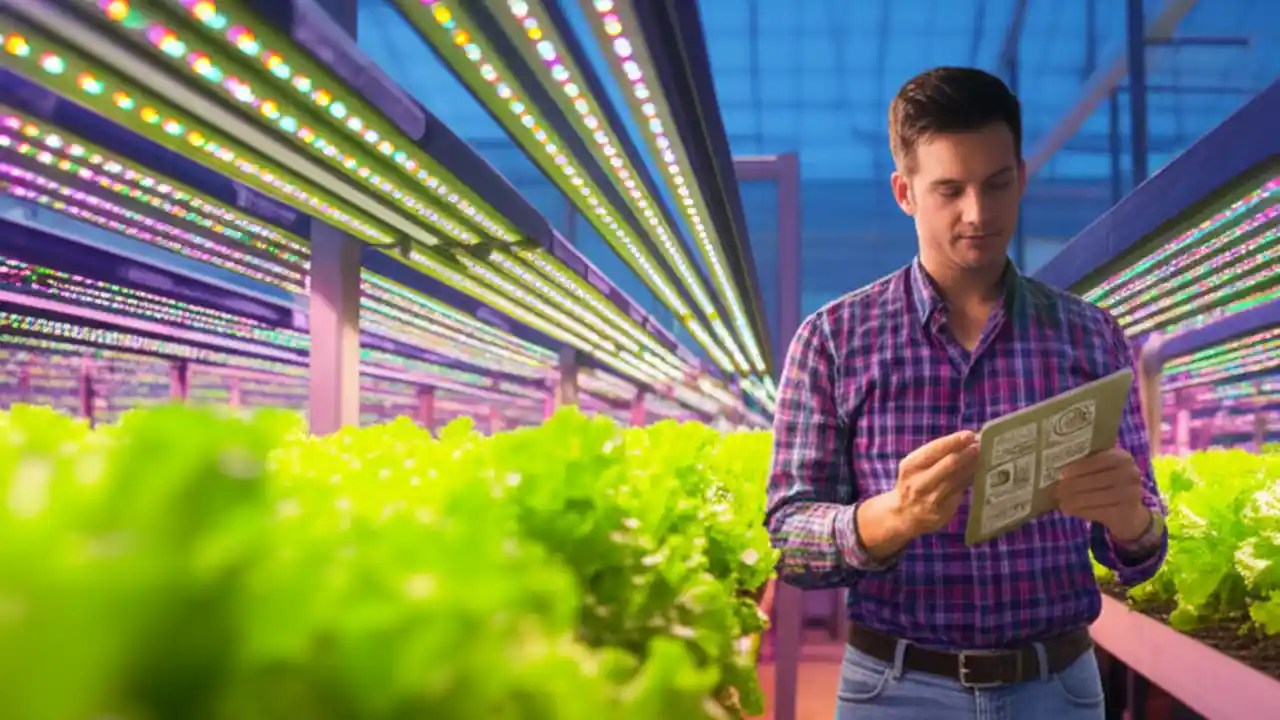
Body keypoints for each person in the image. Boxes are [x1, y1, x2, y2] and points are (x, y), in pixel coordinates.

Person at [765, 66, 1168, 719]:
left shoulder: (1091, 335)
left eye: (997, 184)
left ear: (1021, 178)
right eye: (949, 190)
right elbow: (789, 539)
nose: (978, 213)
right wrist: (894, 516)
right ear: (904, 192)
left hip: (1057, 690)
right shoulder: (832, 340)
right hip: (894, 691)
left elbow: (1142, 549)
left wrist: (1131, 520)